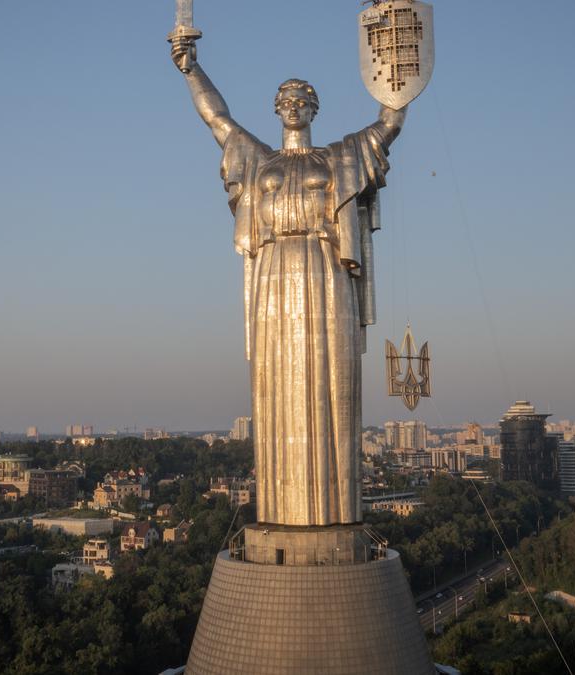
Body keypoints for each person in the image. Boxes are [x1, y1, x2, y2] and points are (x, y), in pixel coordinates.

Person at [172, 38, 406, 526]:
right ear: (277, 110)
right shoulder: (262, 163)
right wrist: (192, 70)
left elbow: (389, 124)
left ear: (315, 109)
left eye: (303, 99)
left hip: (326, 267)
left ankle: (336, 513)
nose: (294, 106)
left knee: (334, 379)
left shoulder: (336, 160)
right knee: (275, 380)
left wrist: (399, 67)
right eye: (286, 100)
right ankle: (282, 513)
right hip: (275, 272)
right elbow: (218, 121)